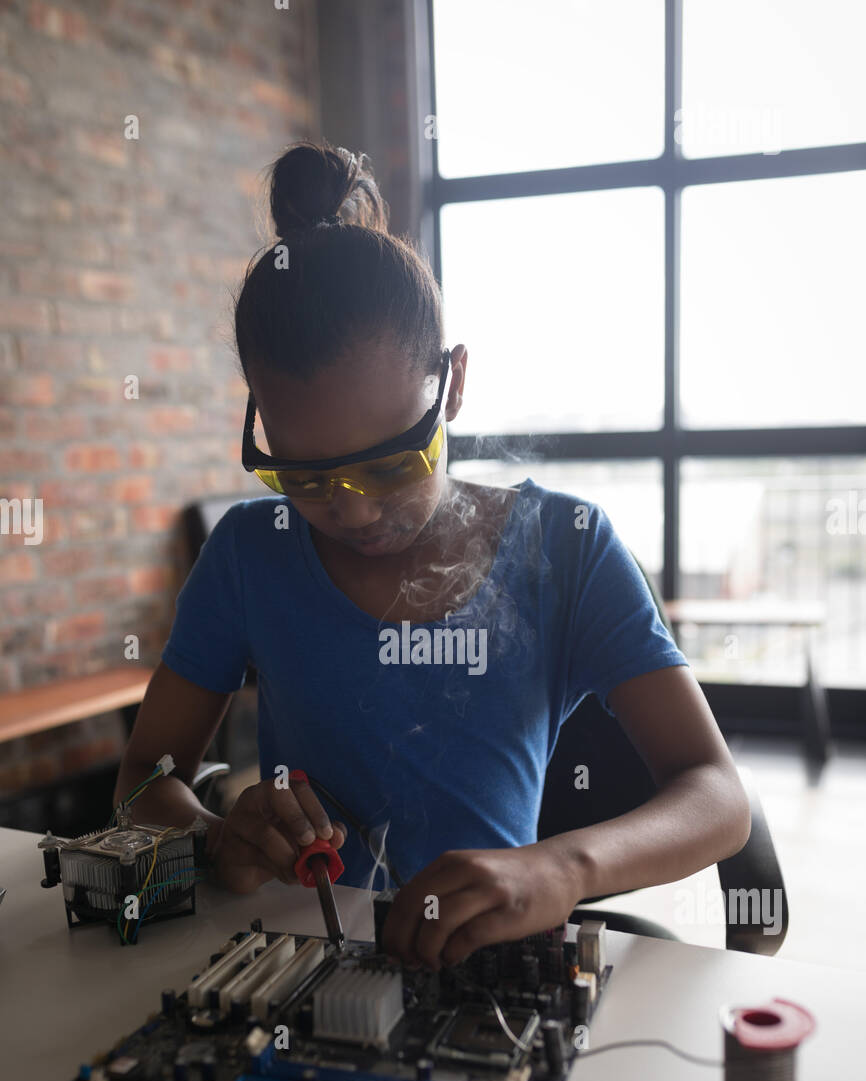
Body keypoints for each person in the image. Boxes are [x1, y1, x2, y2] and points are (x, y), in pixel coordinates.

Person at [115, 139, 750, 969]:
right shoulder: (247, 554)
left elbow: (719, 796)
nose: (354, 509)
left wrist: (563, 867)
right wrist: (211, 839)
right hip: (309, 963)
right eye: (303, 477)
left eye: (389, 464)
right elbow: (139, 786)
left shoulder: (567, 549)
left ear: (452, 384)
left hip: (485, 972)